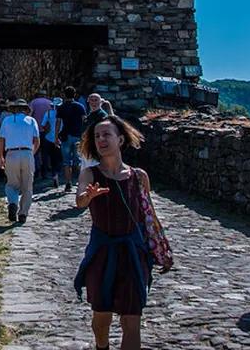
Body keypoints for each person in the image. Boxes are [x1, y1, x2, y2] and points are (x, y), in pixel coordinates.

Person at [74, 115, 173, 350]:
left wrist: (159, 249)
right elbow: (79, 201)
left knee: (132, 319)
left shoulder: (139, 177)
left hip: (132, 254)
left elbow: (148, 217)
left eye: (106, 134)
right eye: (97, 136)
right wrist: (87, 197)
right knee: (102, 317)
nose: (101, 140)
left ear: (120, 139)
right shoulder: (90, 175)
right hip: (102, 253)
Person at [0, 99, 40, 223]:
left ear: (14, 109)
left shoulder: (7, 120)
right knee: (27, 186)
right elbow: (36, 141)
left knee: (12, 184)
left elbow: (1, 140)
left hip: (11, 153)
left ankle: (13, 203)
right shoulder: (31, 121)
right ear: (25, 109)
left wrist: (0, 156)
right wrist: (31, 153)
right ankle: (23, 214)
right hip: (27, 153)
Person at [57, 85, 86, 191]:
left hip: (65, 135)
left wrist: (56, 137)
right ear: (75, 95)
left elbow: (58, 122)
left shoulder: (61, 107)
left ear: (64, 95)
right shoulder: (80, 106)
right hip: (78, 135)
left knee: (66, 161)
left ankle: (68, 182)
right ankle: (80, 182)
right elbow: (84, 121)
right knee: (78, 160)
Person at [38, 99, 63, 190]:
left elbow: (43, 124)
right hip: (60, 138)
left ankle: (49, 173)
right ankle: (56, 173)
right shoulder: (63, 113)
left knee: (49, 157)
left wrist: (47, 130)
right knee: (59, 158)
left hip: (48, 138)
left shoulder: (48, 113)